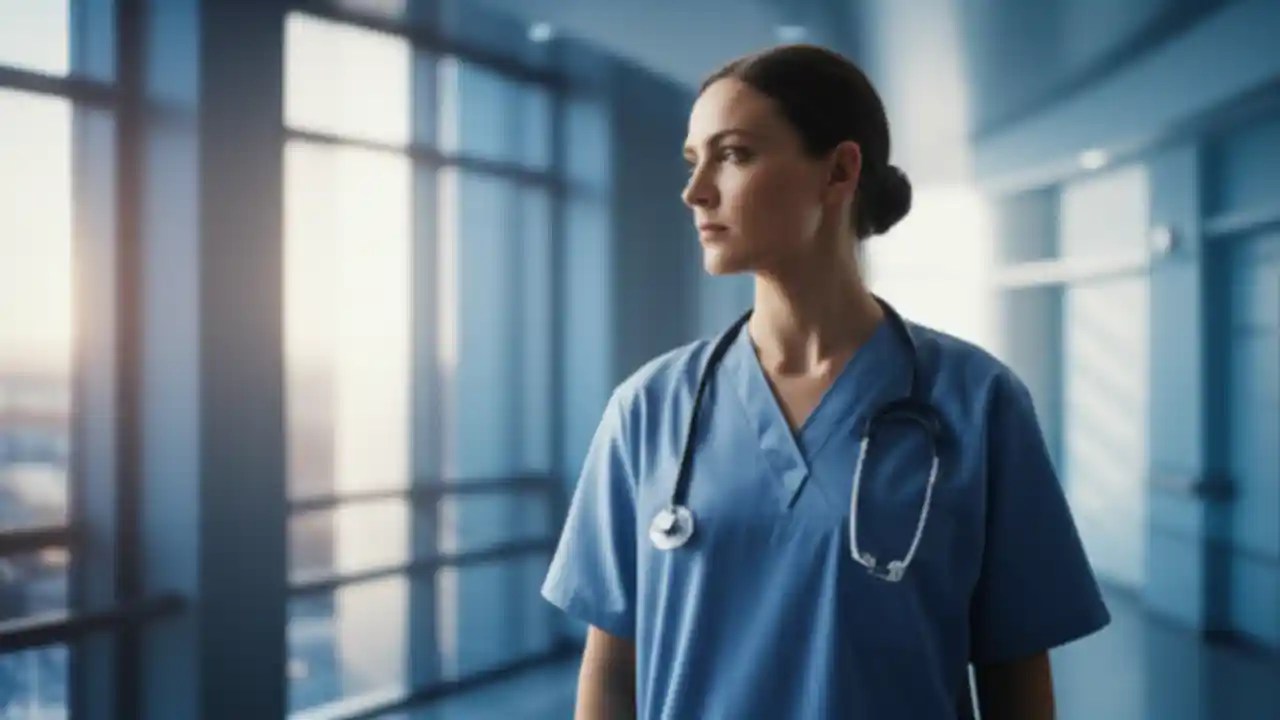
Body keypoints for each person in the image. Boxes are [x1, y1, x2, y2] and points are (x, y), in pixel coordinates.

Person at [541, 44, 1110, 719]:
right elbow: (611, 676)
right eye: (695, 162)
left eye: (735, 155)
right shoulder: (649, 409)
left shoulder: (977, 402)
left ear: (838, 171)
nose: (695, 192)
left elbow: (1016, 681)